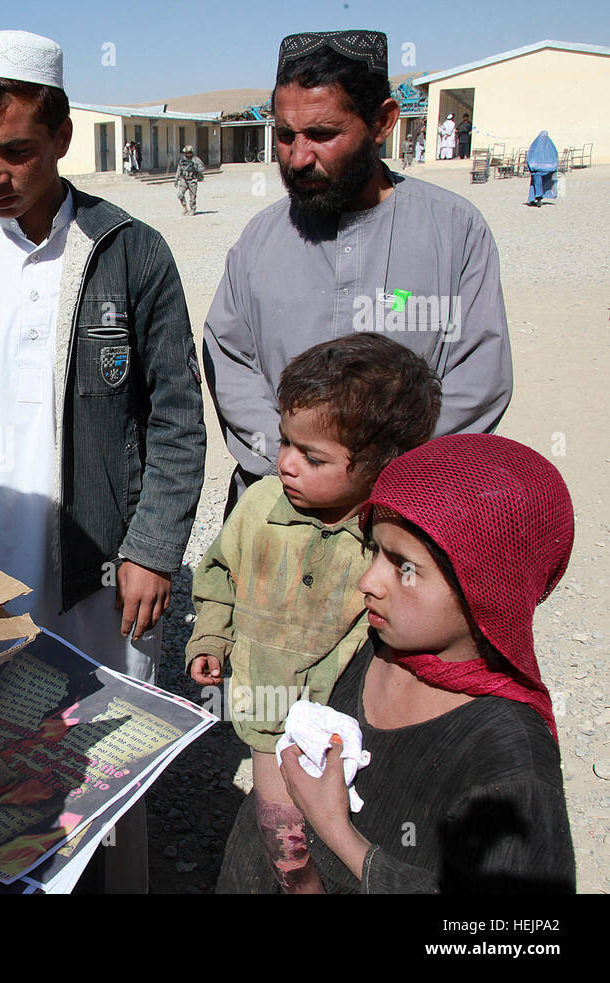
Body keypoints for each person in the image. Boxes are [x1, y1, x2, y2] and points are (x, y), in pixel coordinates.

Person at [0, 29, 206, 892]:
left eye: (16, 151)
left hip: (104, 580)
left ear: (62, 138)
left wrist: (151, 546)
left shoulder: (130, 254)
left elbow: (178, 416)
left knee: (112, 781)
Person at [218, 433, 577, 893]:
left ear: (486, 586)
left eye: (404, 567)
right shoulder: (367, 642)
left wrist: (338, 835)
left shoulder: (510, 760)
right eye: (374, 551)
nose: (369, 581)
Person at [203, 29, 512, 517]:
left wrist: (381, 476)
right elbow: (229, 359)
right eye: (285, 136)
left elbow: (478, 378)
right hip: (277, 508)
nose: (299, 157)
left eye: (323, 135)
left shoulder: (454, 230)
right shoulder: (259, 240)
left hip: (402, 516)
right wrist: (299, 464)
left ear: (382, 122)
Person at [186, 333, 441, 893]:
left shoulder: (386, 538)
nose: (286, 464)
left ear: (378, 467)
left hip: (344, 719)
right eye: (285, 443)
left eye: (312, 456)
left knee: (349, 822)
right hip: (266, 708)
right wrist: (210, 638)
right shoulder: (257, 508)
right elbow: (218, 576)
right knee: (283, 833)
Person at [526, 130, 560, 207]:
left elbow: (530, 156)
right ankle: (537, 198)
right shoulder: (550, 145)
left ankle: (536, 198)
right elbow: (555, 156)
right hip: (543, 169)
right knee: (537, 183)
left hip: (536, 169)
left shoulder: (536, 145)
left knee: (535, 184)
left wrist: (531, 166)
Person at [175, 144, 205, 215]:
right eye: (186, 153)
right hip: (184, 180)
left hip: (192, 180)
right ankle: (185, 208)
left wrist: (195, 169)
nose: (187, 154)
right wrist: (176, 179)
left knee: (192, 197)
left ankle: (192, 209)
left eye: (189, 152)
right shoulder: (182, 160)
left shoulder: (196, 160)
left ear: (191, 152)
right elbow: (179, 169)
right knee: (180, 194)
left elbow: (202, 168)